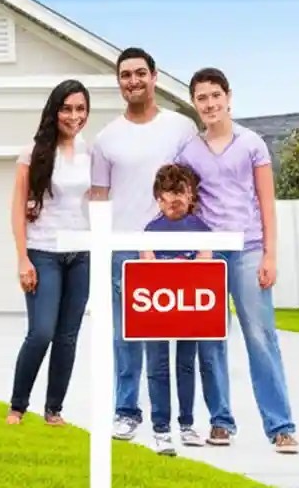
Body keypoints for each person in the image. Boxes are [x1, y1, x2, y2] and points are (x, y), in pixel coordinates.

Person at [173, 66, 299, 453]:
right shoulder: (188, 151)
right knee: (211, 341)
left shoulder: (252, 143)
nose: (209, 104)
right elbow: (186, 204)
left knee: (261, 338)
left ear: (228, 97)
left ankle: (280, 426)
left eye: (215, 96)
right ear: (194, 104)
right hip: (208, 255)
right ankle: (221, 422)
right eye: (202, 98)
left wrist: (270, 255)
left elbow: (266, 203)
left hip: (248, 250)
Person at [89, 47, 198, 442]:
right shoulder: (106, 138)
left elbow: (196, 186)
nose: (132, 81)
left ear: (154, 76)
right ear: (119, 82)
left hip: (177, 246)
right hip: (124, 249)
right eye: (125, 75)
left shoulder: (181, 128)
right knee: (127, 335)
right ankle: (126, 411)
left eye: (139, 73)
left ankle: (182, 420)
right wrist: (102, 248)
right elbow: (99, 197)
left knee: (185, 335)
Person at [6, 79, 92, 426]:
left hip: (81, 253)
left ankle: (54, 409)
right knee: (41, 332)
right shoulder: (34, 152)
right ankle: (17, 405)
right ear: (55, 111)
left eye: (81, 109)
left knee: (68, 336)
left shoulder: (90, 153)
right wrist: (22, 257)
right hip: (43, 251)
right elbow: (16, 207)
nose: (74, 116)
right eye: (67, 108)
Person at [140, 162, 235, 455]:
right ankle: (160, 428)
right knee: (157, 366)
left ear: (191, 195)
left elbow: (204, 266)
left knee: (186, 364)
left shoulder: (200, 228)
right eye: (167, 195)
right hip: (155, 311)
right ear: (158, 197)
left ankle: (186, 423)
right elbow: (146, 266)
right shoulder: (149, 230)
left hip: (189, 310)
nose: (174, 201)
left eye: (180, 194)